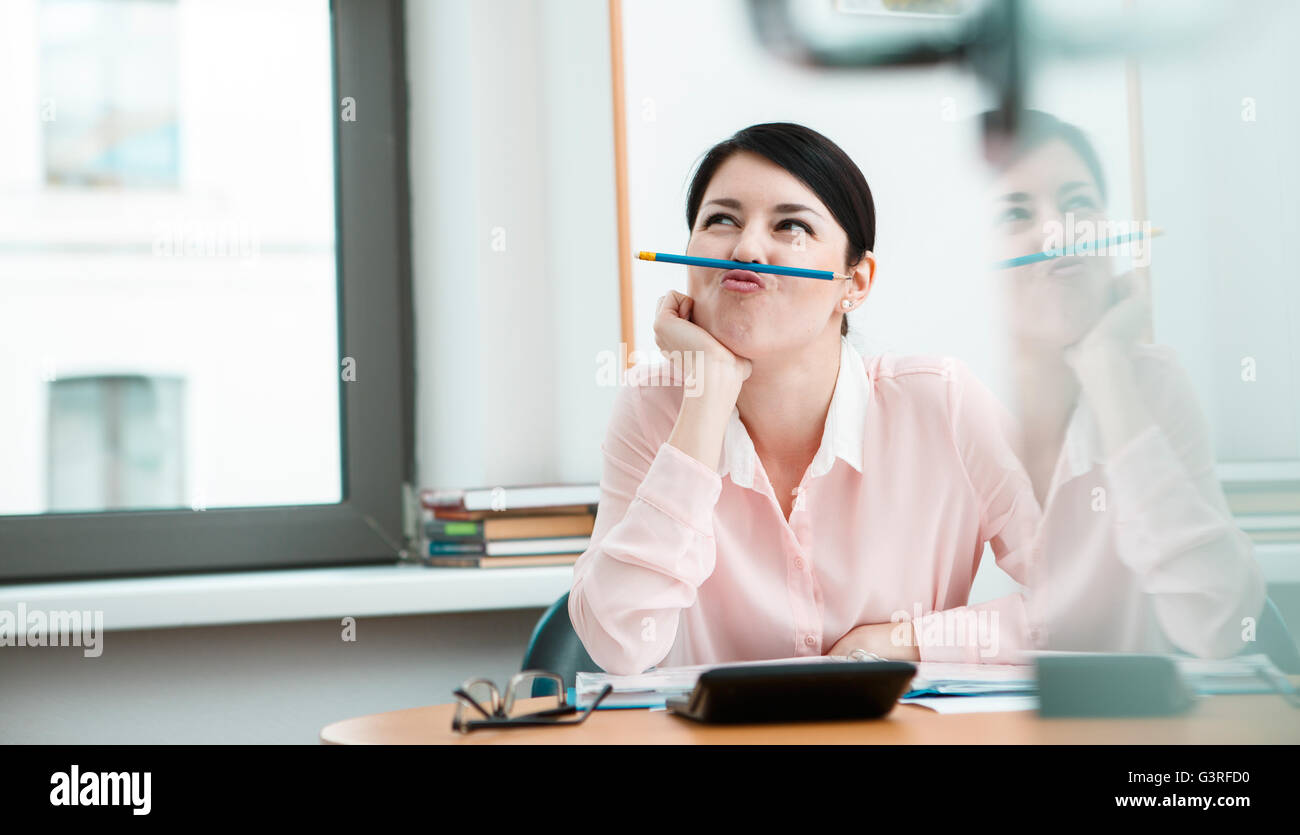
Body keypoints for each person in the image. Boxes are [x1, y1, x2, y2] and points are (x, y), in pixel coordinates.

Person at [569, 122, 1041, 676]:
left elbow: (1097, 598)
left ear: (855, 283)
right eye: (721, 219)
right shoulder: (654, 406)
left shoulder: (943, 404)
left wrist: (909, 641)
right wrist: (705, 397)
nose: (745, 248)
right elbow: (620, 643)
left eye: (790, 225)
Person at [984, 109, 1266, 658]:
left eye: (1079, 204)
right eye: (1015, 212)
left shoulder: (1150, 384)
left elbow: (1218, 625)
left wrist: (1109, 371)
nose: (1060, 231)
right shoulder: (929, 400)